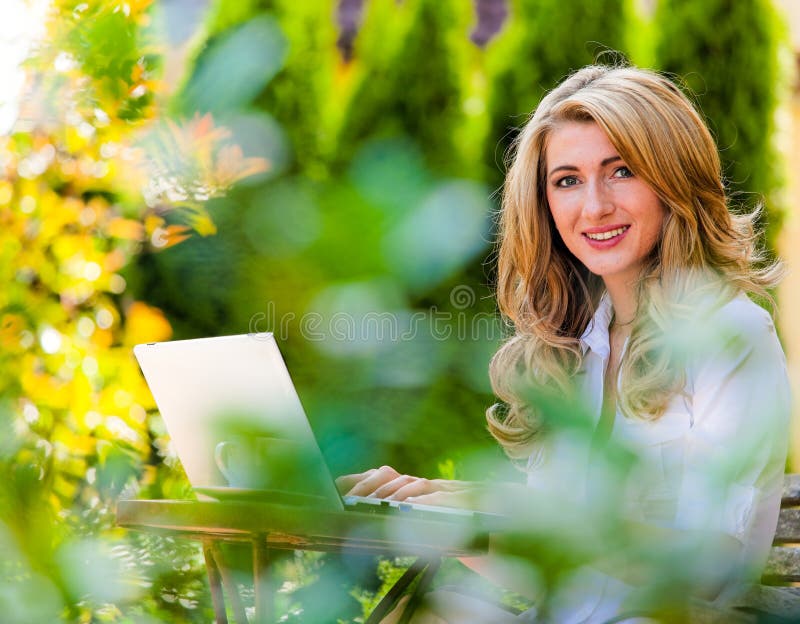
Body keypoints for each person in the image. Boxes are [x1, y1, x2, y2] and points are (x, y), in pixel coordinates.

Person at [336, 64, 791, 623]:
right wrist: (435, 512)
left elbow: (709, 566)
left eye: (621, 171)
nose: (593, 206)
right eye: (567, 180)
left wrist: (506, 518)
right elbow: (558, 571)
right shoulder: (571, 349)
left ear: (673, 180)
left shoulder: (731, 335)